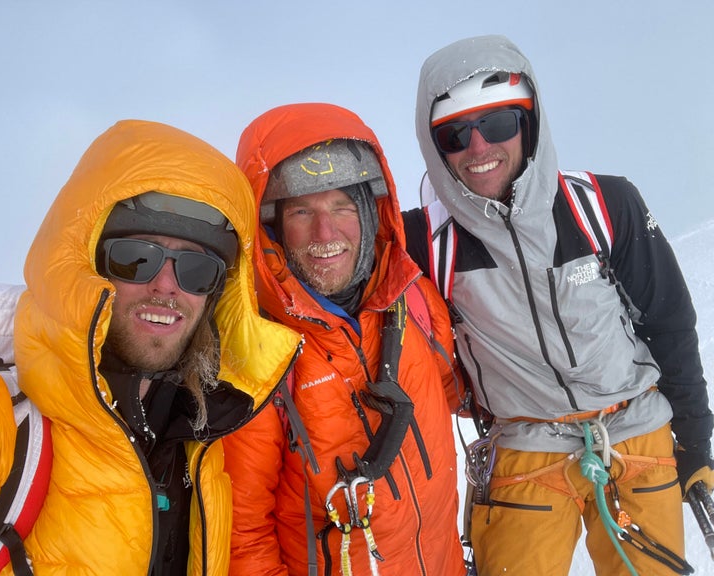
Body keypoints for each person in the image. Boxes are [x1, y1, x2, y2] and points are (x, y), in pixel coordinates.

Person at [403, 34, 714, 575]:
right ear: (436, 147)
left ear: (528, 123)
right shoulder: (424, 244)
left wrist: (694, 442)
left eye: (497, 124)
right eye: (455, 135)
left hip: (636, 429)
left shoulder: (603, 204)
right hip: (526, 444)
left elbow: (669, 324)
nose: (479, 149)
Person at [0, 119, 300, 575]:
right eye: (136, 258)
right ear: (86, 265)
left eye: (197, 270)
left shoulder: (201, 450)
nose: (166, 285)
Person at [222, 103, 466, 575]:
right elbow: (244, 535)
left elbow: (458, 393)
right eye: (301, 211)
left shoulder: (413, 302)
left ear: (370, 213)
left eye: (341, 207)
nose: (325, 232)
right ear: (271, 226)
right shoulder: (255, 356)